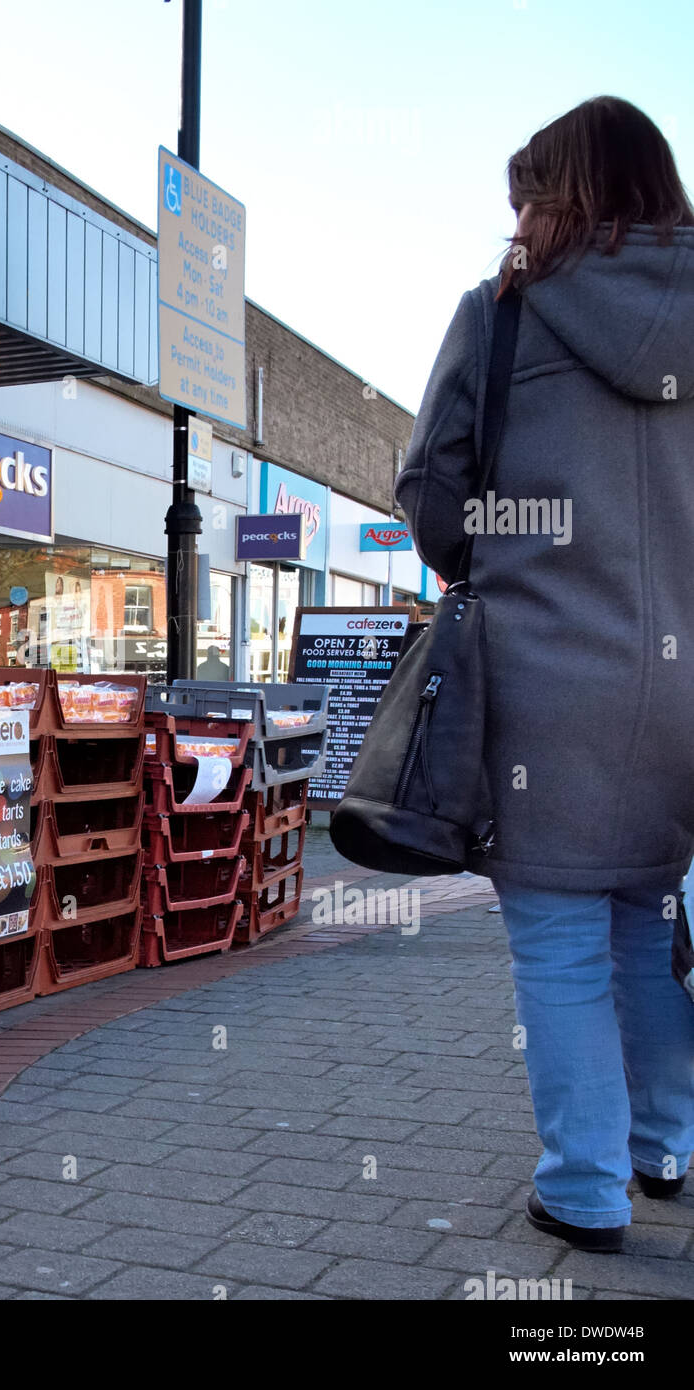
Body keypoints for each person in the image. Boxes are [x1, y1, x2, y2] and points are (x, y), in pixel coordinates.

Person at [397, 96, 694, 1254]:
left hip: (544, 690)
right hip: (678, 692)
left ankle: (583, 1185)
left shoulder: (502, 318)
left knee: (566, 940)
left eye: (527, 195)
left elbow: (431, 496)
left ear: (558, 195)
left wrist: (504, 550)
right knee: (646, 926)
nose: (516, 219)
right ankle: (661, 1144)